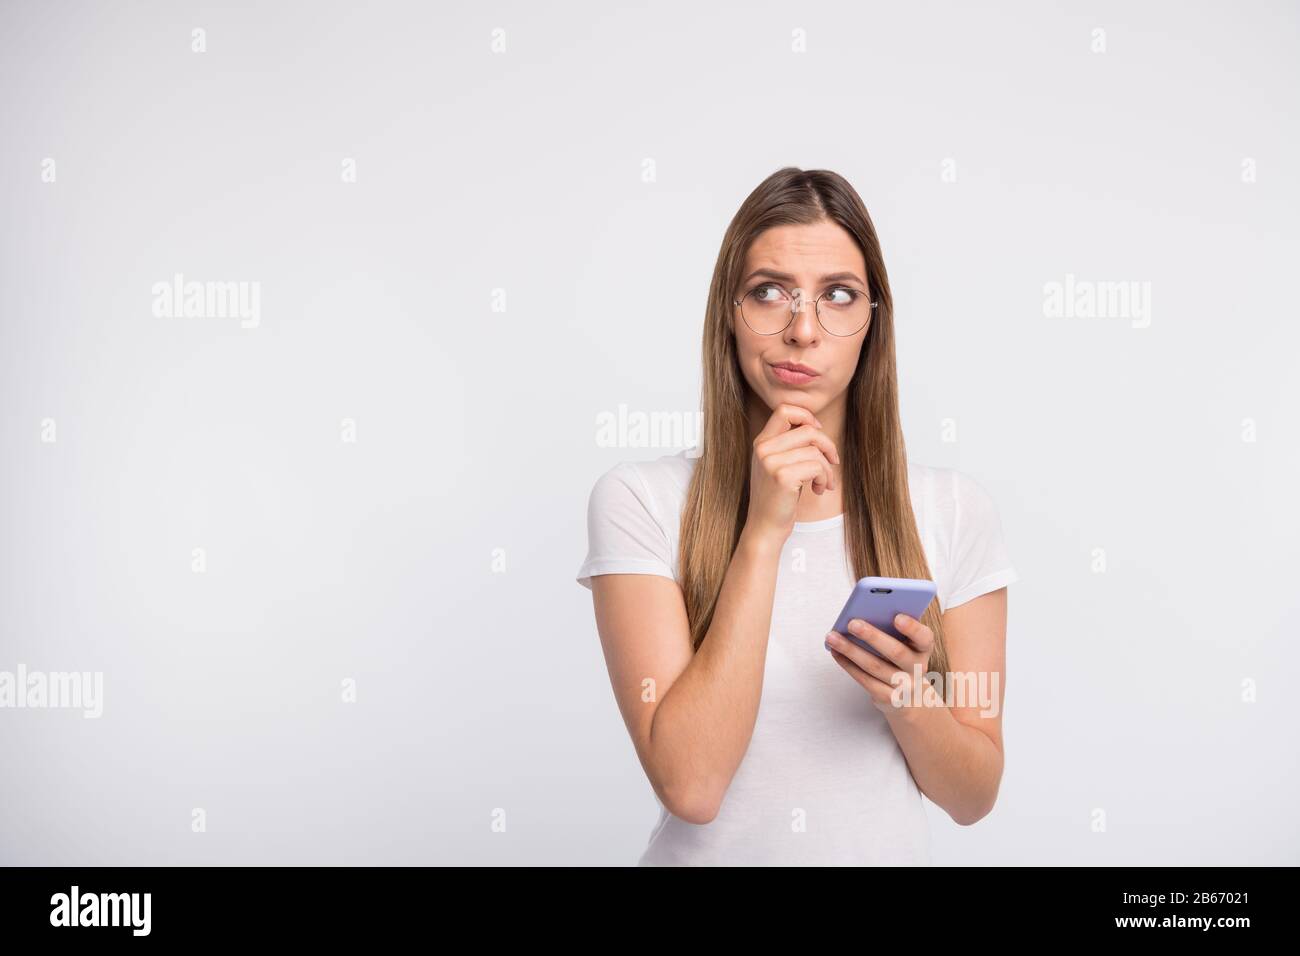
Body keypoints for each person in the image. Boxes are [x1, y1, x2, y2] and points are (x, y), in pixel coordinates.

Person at [576, 166, 1019, 866]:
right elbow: (692, 785)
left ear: (874, 319)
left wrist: (907, 698)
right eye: (769, 293)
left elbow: (973, 797)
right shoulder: (639, 500)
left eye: (837, 295)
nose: (802, 330)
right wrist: (763, 532)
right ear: (729, 309)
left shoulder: (954, 510)